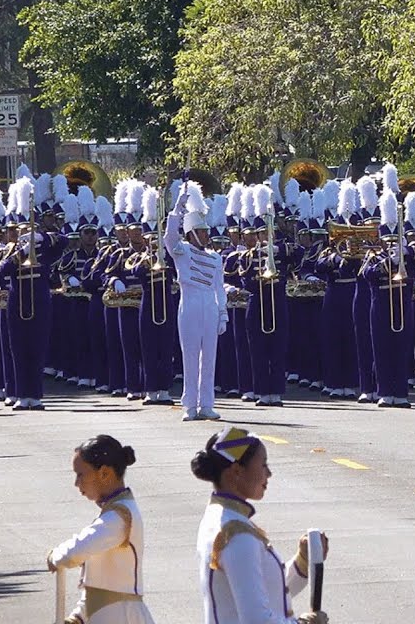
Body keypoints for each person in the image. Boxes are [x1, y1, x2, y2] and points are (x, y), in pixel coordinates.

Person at [192, 427, 329, 624]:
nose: (269, 473)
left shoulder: (222, 518)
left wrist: (302, 563)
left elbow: (264, 591)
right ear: (237, 471)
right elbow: (257, 620)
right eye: (263, 465)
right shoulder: (237, 535)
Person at [48, 435, 155, 624]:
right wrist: (80, 616)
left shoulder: (119, 517)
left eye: (81, 474)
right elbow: (102, 585)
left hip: (122, 616)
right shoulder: (114, 512)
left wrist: (55, 556)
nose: (77, 483)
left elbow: (75, 552)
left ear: (104, 473)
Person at [166, 183, 227, 422]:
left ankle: (207, 404)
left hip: (209, 306)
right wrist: (177, 210)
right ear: (191, 234)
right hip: (189, 303)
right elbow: (170, 238)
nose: (205, 235)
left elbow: (219, 288)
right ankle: (189, 405)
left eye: (205, 231)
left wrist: (223, 314)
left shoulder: (215, 257)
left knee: (209, 358)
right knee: (190, 356)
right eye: (200, 232)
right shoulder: (183, 252)